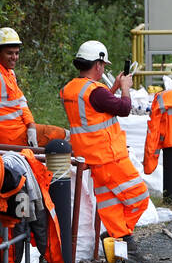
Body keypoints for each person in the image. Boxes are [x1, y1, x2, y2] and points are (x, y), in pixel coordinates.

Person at [59, 40, 150, 246]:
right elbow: (124, 108)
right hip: (110, 156)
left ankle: (121, 248)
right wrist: (125, 88)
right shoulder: (95, 91)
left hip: (91, 158)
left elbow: (96, 108)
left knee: (111, 207)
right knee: (139, 197)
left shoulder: (71, 89)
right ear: (98, 64)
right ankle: (118, 239)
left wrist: (115, 86)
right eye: (103, 65)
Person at [0, 27, 67, 148]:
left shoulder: (9, 73)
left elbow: (21, 102)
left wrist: (31, 126)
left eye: (17, 53)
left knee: (61, 139)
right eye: (9, 53)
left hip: (20, 130)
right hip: (10, 136)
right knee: (66, 137)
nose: (14, 57)